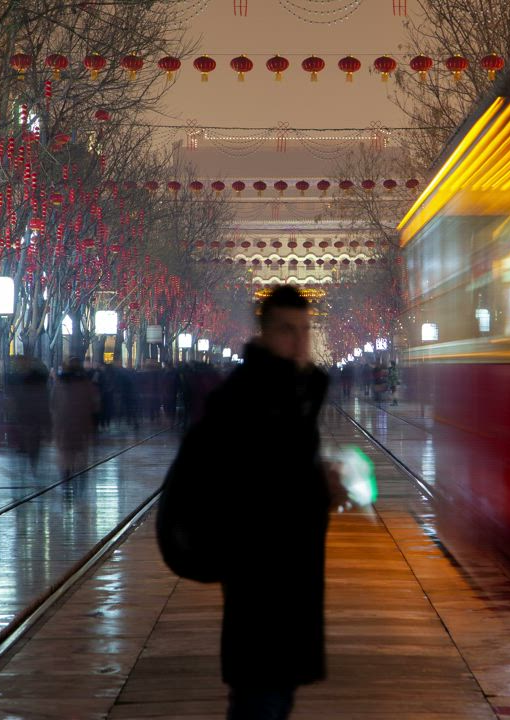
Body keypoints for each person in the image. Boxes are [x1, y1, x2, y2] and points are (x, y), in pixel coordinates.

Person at [180, 285, 335, 720]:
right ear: (265, 334)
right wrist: (316, 488)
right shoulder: (248, 400)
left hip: (288, 579)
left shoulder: (292, 396)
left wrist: (320, 485)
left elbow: (285, 481)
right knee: (260, 700)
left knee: (272, 697)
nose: (300, 340)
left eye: (305, 330)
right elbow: (255, 491)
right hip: (261, 579)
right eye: (288, 330)